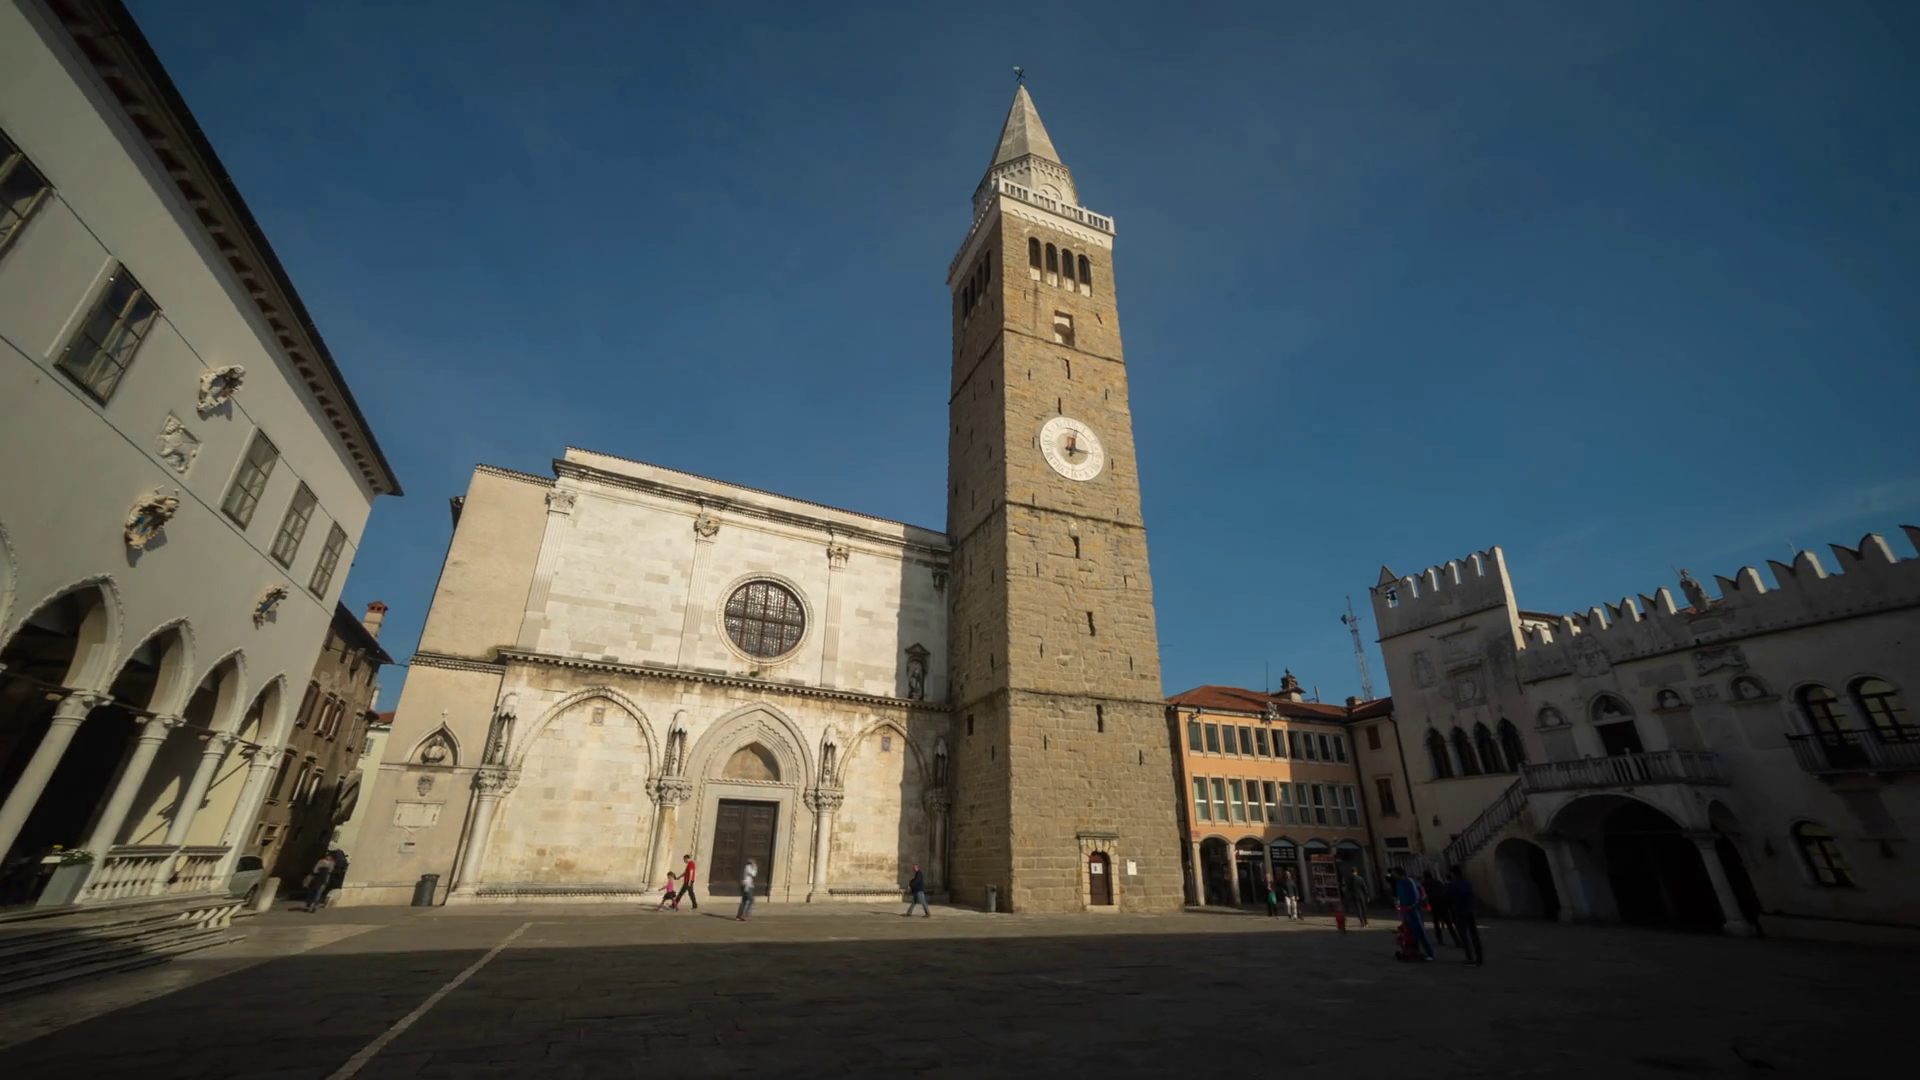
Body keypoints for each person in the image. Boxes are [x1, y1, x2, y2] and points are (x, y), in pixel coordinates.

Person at [1392, 867, 1435, 960]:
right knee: (1410, 932)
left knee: (1421, 932)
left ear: (1400, 874)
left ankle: (1430, 954)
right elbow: (1399, 896)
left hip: (1414, 910)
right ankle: (1415, 952)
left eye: (1394, 873)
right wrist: (1398, 903)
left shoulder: (1410, 882)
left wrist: (1413, 905)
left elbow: (1416, 896)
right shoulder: (1399, 883)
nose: (1393, 875)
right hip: (1404, 911)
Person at [1448, 866, 1483, 966]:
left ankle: (1469, 957)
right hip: (1469, 911)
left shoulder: (1452, 885)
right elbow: (1472, 896)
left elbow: (1447, 897)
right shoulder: (1467, 883)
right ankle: (1479, 958)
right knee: (1474, 936)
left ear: (1453, 874)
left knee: (1463, 935)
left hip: (1460, 912)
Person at [1423, 871, 1455, 947]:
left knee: (1436, 924)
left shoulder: (1425, 884)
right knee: (1448, 923)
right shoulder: (1438, 882)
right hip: (1442, 904)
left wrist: (1427, 905)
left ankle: (1440, 940)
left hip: (1434, 905)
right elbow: (1443, 891)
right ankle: (1456, 939)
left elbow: (1424, 895)